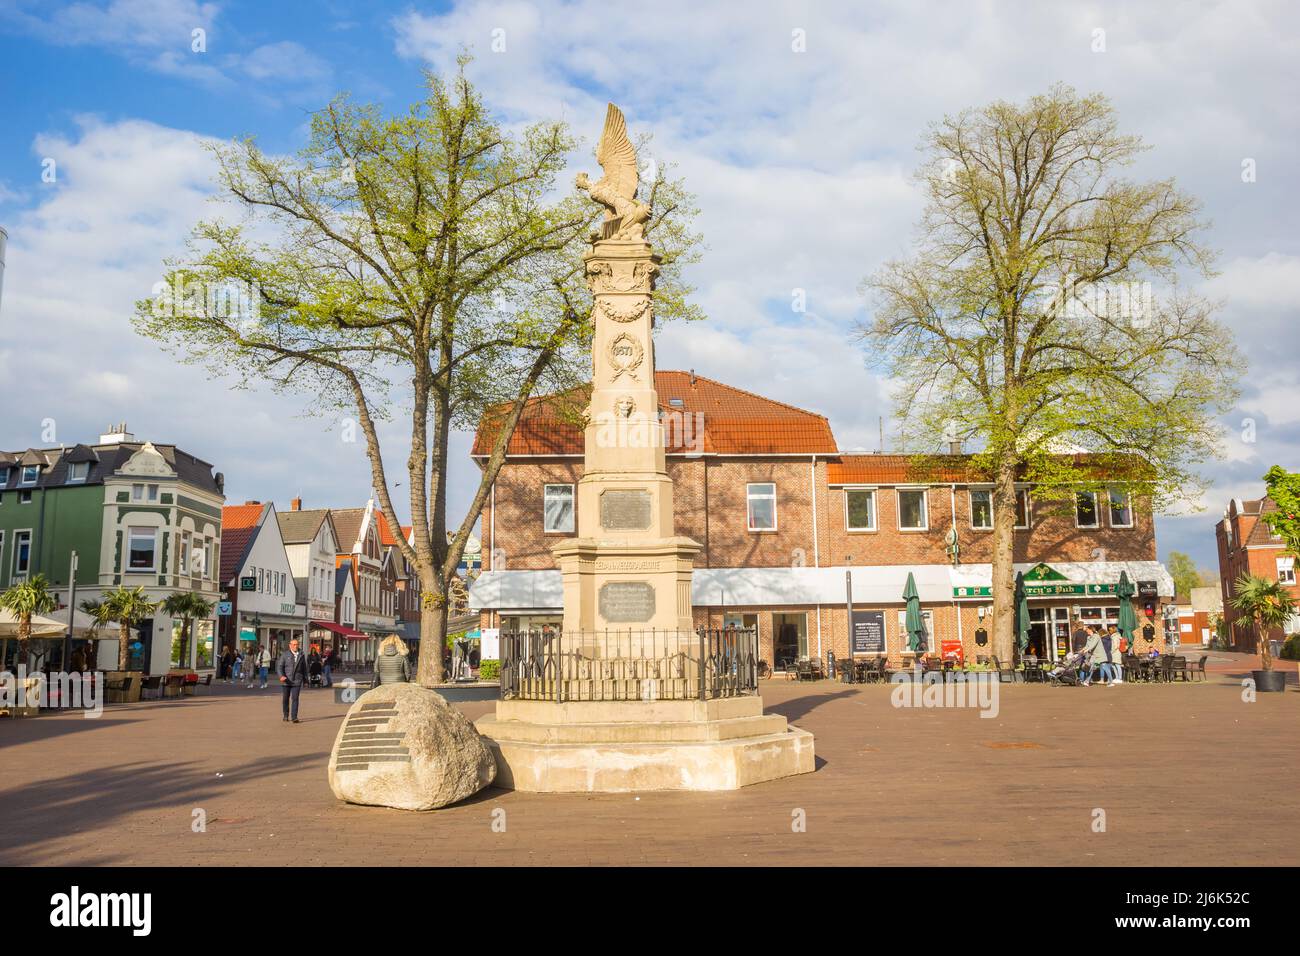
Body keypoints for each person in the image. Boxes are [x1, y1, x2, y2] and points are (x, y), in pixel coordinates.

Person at [276, 638, 309, 723]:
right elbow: (279, 667)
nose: (296, 646)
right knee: (285, 699)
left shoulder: (301, 654)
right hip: (286, 680)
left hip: (297, 680)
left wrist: (306, 681)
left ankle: (294, 717)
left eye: (297, 644)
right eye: (294, 644)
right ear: (290, 645)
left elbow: (304, 668)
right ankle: (285, 715)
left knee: (295, 698)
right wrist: (281, 676)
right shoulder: (285, 654)